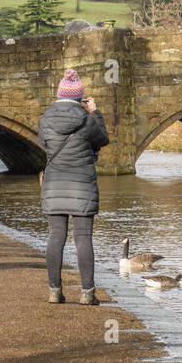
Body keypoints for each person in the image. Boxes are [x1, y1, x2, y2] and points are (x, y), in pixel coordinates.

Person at [39, 69, 109, 305]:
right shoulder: (88, 121)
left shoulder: (45, 118)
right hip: (82, 185)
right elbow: (103, 140)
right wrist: (96, 112)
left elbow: (43, 144)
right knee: (83, 238)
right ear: (80, 98)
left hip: (54, 185)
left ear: (59, 95)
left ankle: (54, 291)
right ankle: (87, 293)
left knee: (55, 237)